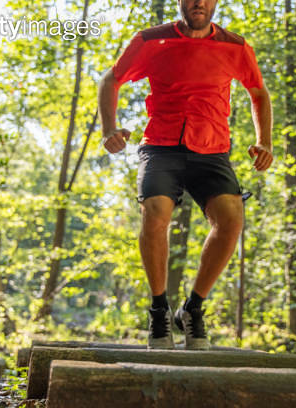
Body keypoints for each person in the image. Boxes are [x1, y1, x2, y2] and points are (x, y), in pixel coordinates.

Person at [97, 0, 273, 350]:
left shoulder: (235, 46)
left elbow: (258, 93)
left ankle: (192, 309)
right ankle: (159, 309)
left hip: (211, 148)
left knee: (231, 218)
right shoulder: (151, 40)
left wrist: (264, 141)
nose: (198, 3)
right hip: (161, 145)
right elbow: (110, 79)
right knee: (156, 212)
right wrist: (109, 129)